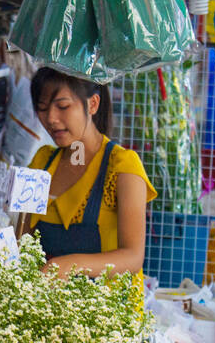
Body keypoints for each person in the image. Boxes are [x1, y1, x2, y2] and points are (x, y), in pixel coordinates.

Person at [23, 67, 156, 276]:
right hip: (48, 304)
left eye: (63, 106)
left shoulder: (122, 166)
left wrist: (69, 265)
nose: (51, 118)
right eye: (42, 108)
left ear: (92, 104)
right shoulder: (41, 163)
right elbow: (22, 241)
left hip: (108, 306)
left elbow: (133, 257)